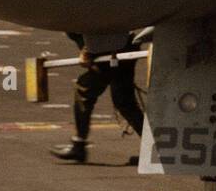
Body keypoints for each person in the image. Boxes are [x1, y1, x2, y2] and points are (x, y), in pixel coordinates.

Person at [51, 32, 145, 163]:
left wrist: (88, 51)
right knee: (124, 101)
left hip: (111, 48)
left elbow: (97, 23)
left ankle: (79, 146)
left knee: (83, 89)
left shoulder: (65, 14)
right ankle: (156, 148)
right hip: (122, 45)